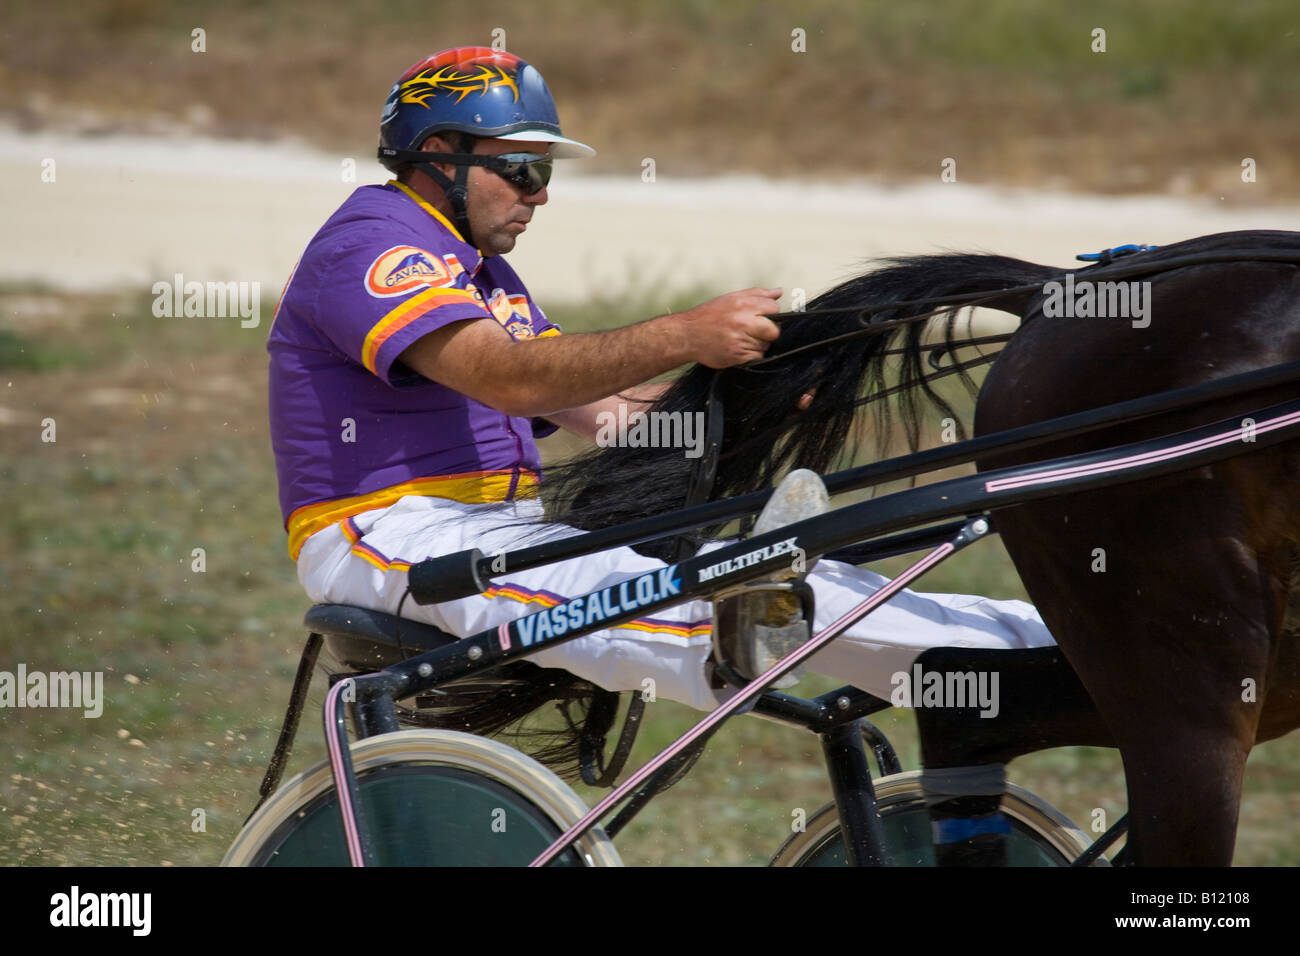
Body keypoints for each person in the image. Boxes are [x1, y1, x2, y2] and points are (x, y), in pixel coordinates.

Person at [267, 46, 1055, 715]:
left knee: (802, 577)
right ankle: (740, 639)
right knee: (698, 593)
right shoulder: (375, 245)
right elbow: (506, 378)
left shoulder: (485, 275)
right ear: (439, 155)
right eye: (520, 168)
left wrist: (757, 403)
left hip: (487, 534)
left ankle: (1028, 656)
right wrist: (684, 334)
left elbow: (610, 415)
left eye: (545, 172)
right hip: (390, 535)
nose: (540, 195)